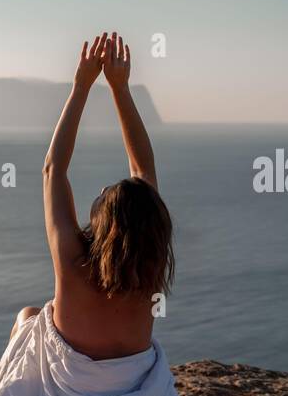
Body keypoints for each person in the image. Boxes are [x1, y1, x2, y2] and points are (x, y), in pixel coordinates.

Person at [12, 32, 175, 361]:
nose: (101, 191)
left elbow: (53, 170)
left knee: (28, 316)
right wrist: (120, 88)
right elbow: (143, 170)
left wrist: (81, 86)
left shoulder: (73, 264)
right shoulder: (150, 267)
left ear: (108, 223)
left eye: (104, 196)